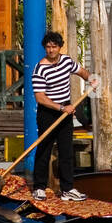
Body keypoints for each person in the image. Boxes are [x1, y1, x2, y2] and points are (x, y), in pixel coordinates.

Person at [31, 31, 92, 202]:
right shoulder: (39, 69)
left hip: (66, 111)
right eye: (48, 47)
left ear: (60, 47)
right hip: (48, 112)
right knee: (44, 150)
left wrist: (92, 79)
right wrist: (61, 108)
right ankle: (39, 187)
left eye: (54, 47)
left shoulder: (66, 61)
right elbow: (40, 98)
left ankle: (67, 189)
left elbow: (81, 71)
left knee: (66, 151)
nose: (51, 50)